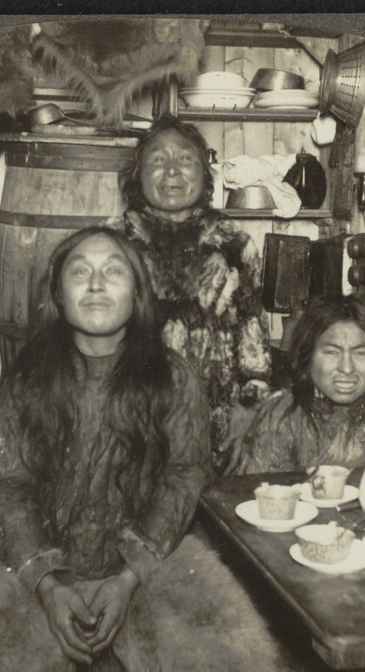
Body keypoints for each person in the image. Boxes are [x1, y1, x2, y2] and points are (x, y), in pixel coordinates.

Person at [0, 227, 311, 672]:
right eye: (80, 272)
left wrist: (128, 579)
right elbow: (6, 489)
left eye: (114, 271)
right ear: (60, 295)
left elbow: (184, 475)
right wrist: (47, 585)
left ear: (137, 294)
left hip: (153, 563)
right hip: (35, 566)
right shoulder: (29, 380)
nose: (97, 284)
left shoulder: (172, 377)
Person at [108, 116, 272, 471]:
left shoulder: (234, 244)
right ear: (137, 176)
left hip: (216, 428)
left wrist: (247, 417)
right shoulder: (111, 245)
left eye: (185, 159)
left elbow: (254, 344)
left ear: (205, 174)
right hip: (132, 426)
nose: (171, 172)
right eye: (157, 159)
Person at [227, 294, 365, 475]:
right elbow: (264, 499)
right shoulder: (284, 417)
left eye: (361, 353)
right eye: (332, 352)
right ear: (308, 358)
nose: (347, 368)